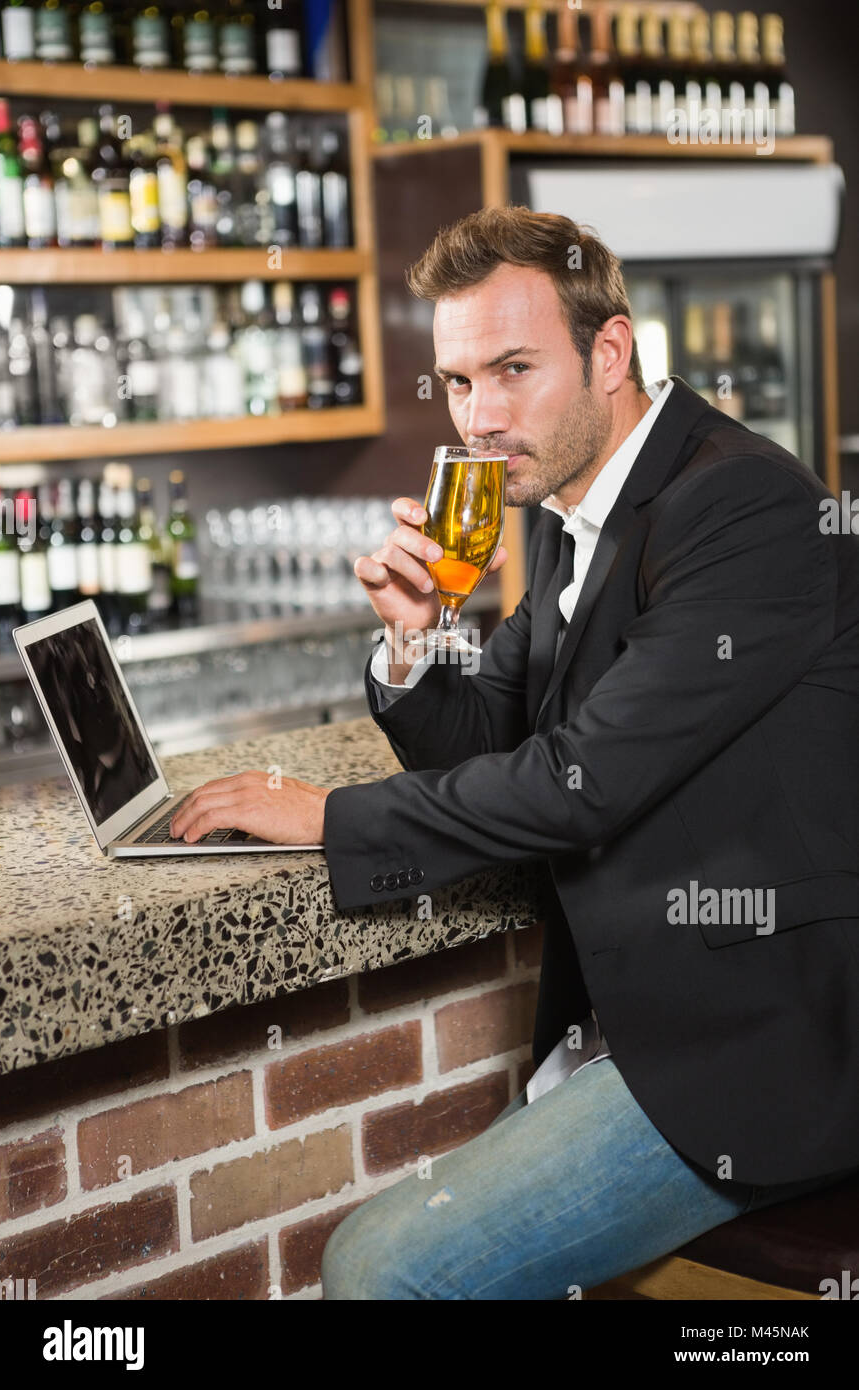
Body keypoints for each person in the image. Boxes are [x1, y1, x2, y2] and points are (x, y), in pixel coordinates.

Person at [169, 207, 859, 1299]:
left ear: (609, 351)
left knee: (375, 1267)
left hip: (763, 1049)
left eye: (511, 369)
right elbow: (493, 726)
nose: (478, 418)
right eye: (455, 382)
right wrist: (409, 644)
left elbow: (577, 784)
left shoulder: (739, 504)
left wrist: (330, 816)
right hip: (639, 1024)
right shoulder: (569, 503)